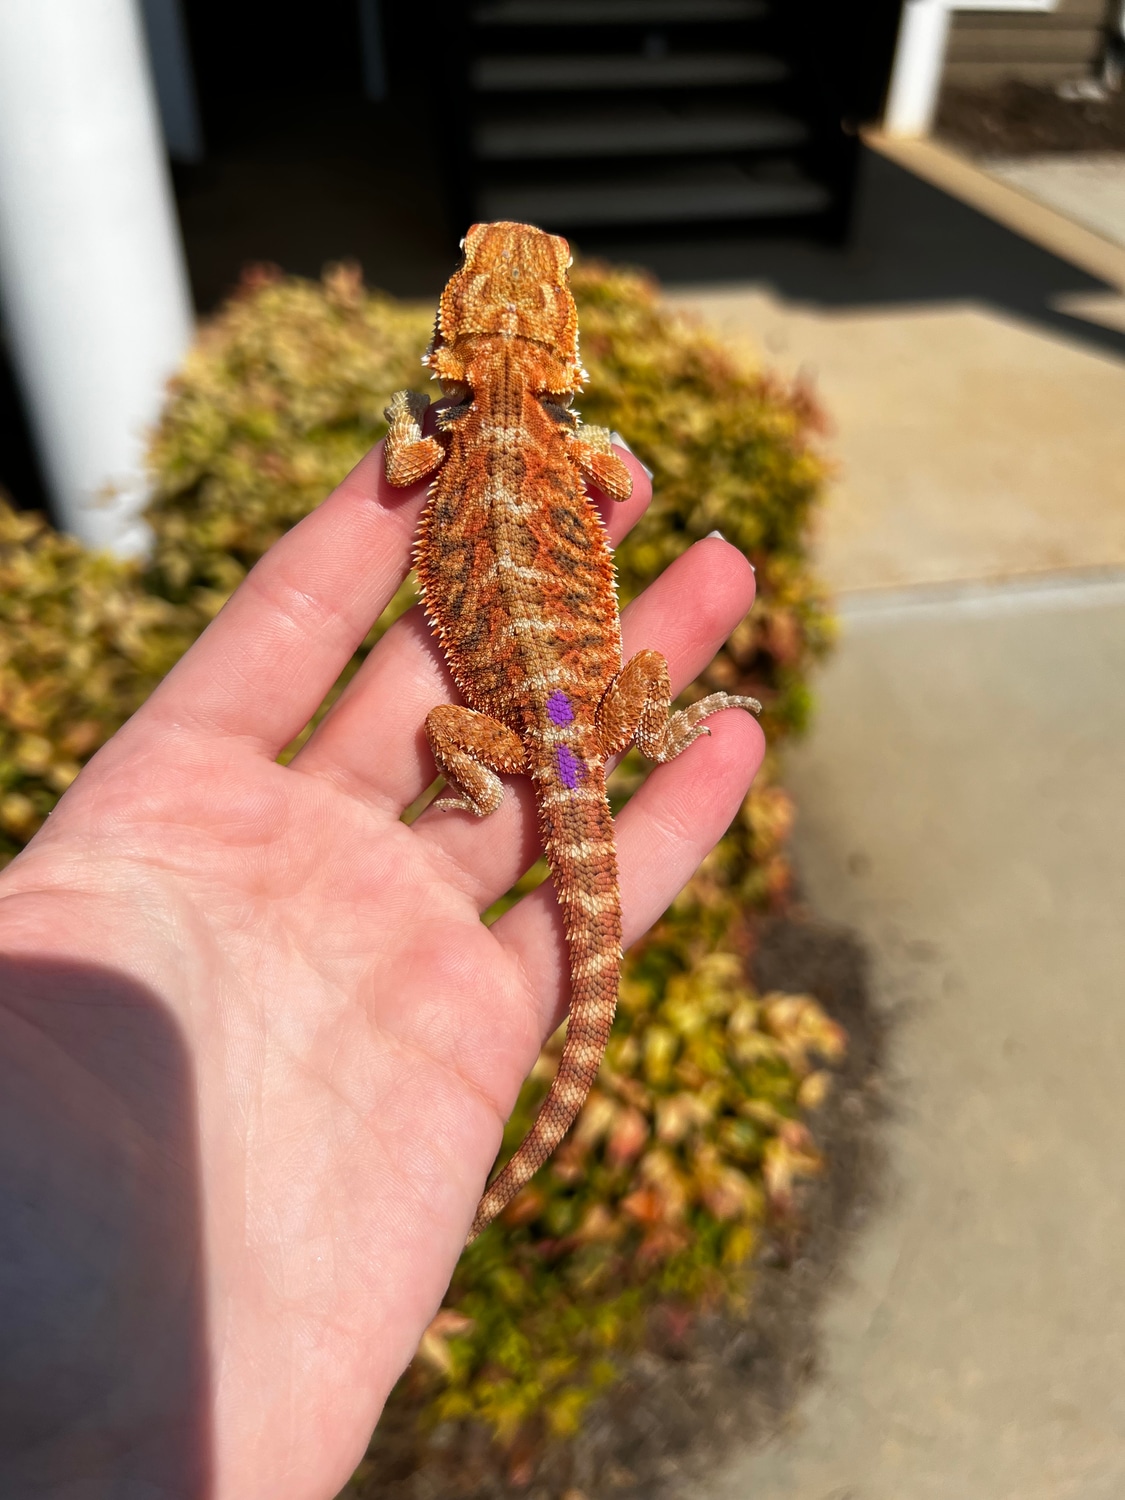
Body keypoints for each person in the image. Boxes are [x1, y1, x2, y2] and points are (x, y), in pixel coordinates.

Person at [0, 438, 763, 1499]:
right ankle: (666, 719)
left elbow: (424, 467)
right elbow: (603, 471)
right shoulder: (570, 447)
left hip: (535, 729)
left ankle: (581, 757)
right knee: (615, 734)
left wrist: (476, 777)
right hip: (569, 727)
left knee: (511, 809)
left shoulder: (447, 441)